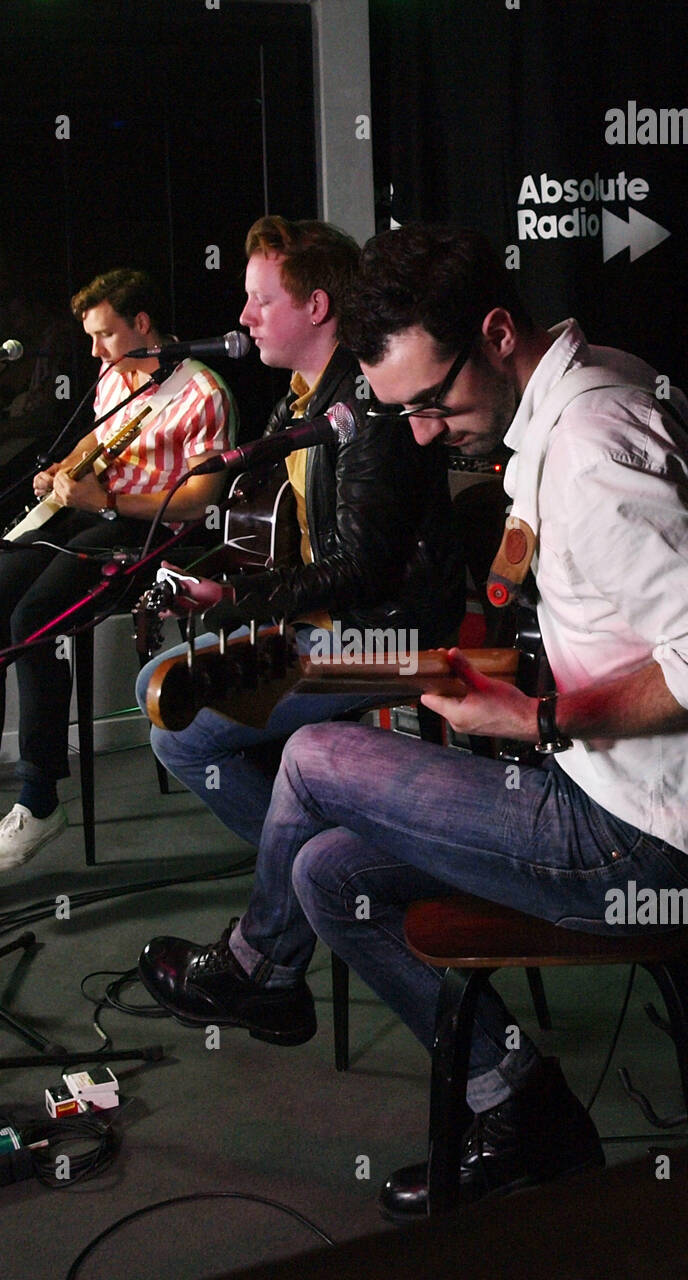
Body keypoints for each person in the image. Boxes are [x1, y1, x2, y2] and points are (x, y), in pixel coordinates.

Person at [139, 225, 688, 1219]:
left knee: (307, 754)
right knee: (324, 874)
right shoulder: (597, 379)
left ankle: (257, 969)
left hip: (643, 843)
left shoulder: (594, 447)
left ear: (495, 333)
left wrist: (544, 708)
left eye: (433, 402)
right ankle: (519, 1101)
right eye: (407, 412)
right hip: (610, 788)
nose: (425, 433)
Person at [134, 215, 463, 848]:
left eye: (261, 300)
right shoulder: (299, 399)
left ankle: (316, 867)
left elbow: (361, 572)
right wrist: (216, 583)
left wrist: (234, 601)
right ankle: (324, 849)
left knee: (179, 729)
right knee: (151, 686)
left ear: (316, 306)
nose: (245, 315)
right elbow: (273, 528)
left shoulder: (369, 405)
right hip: (327, 622)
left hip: (385, 634)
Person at [0, 268, 237, 874]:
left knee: (35, 616)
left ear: (142, 325)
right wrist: (63, 467)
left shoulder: (203, 393)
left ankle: (38, 798)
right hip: (88, 512)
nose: (94, 350)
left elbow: (200, 503)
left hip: (144, 528)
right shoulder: (115, 373)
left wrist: (104, 502)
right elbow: (97, 438)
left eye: (104, 335)